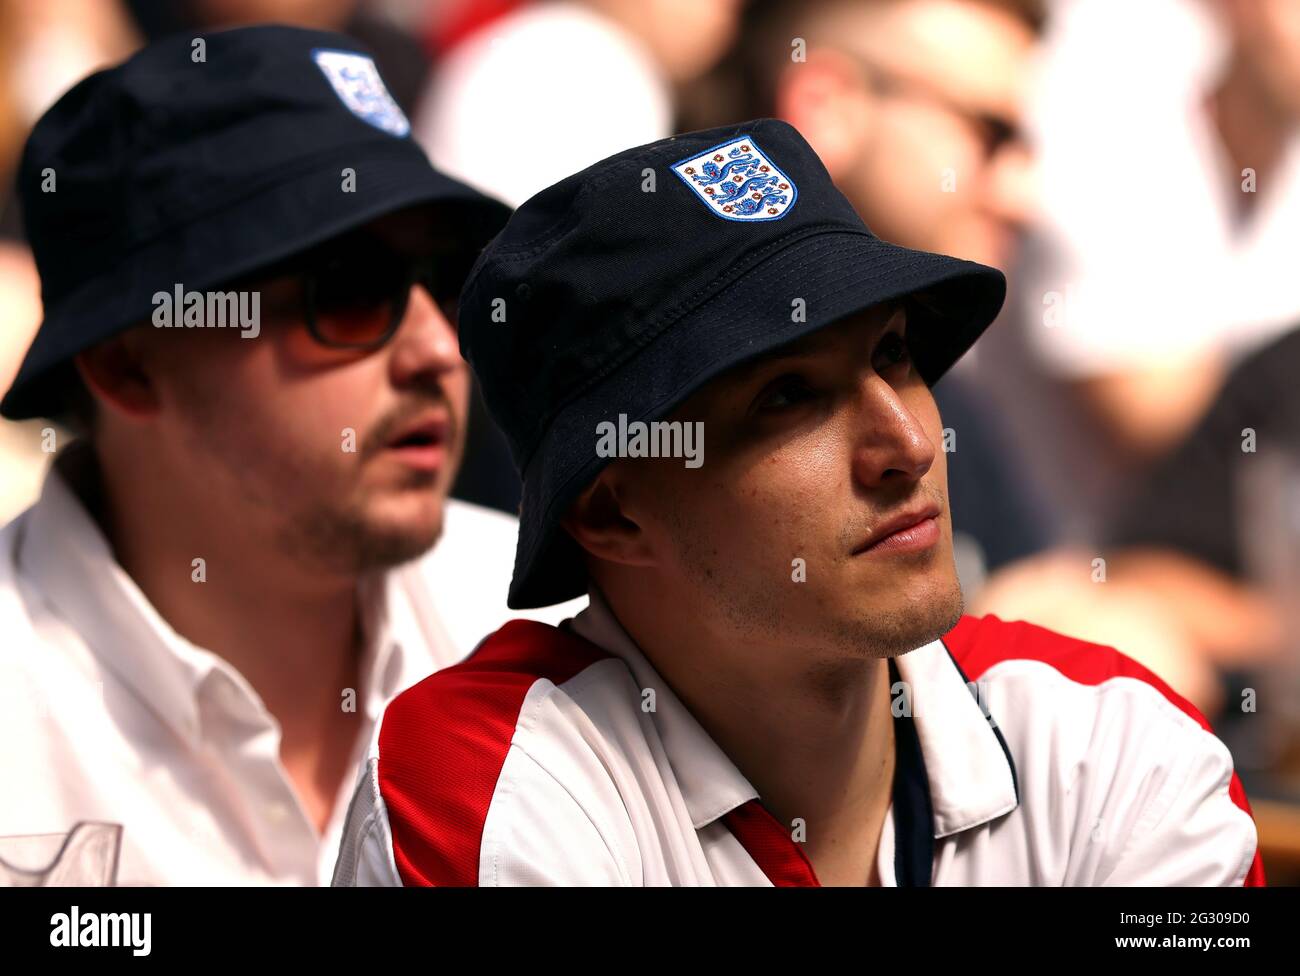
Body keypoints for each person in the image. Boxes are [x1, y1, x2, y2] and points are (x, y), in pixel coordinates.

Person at [333, 119, 1263, 886]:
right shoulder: (491, 790)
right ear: (613, 511)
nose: (906, 444)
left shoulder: (1112, 742)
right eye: (787, 396)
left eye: (893, 354)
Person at [0, 25, 579, 886]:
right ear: (129, 364)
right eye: (346, 291)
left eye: (449, 277)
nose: (436, 348)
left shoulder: (553, 627)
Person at [727, 0, 1055, 587]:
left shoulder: (952, 398)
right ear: (827, 105)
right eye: (992, 134)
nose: (1022, 196)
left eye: (891, 359)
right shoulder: (670, 386)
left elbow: (1044, 597)